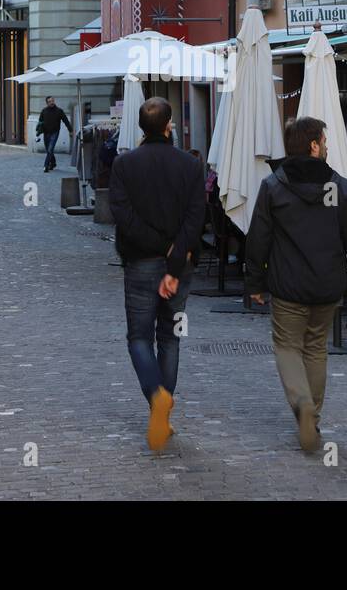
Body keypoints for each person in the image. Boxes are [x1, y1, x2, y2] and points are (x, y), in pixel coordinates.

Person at [245, 117, 347, 452]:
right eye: (325, 140)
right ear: (314, 145)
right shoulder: (341, 187)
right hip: (328, 285)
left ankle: (302, 405)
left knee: (288, 347)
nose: (328, 145)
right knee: (316, 348)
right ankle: (311, 417)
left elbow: (258, 238)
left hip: (288, 286)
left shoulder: (274, 186)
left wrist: (254, 282)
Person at [108, 97, 206, 452]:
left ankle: (157, 400)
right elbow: (196, 218)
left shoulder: (124, 164)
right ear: (169, 126)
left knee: (138, 337)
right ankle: (161, 411)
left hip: (139, 263)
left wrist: (157, 247)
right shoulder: (190, 165)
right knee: (170, 337)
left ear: (140, 127)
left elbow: (122, 215)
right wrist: (174, 255)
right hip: (180, 266)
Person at [36, 95, 73, 173]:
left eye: (52, 101)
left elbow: (66, 121)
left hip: (55, 132)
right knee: (49, 150)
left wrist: (70, 130)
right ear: (47, 103)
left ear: (54, 101)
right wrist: (38, 131)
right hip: (46, 132)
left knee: (50, 149)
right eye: (49, 101)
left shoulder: (59, 111)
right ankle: (53, 163)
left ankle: (46, 166)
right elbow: (40, 122)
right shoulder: (44, 111)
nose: (51, 102)